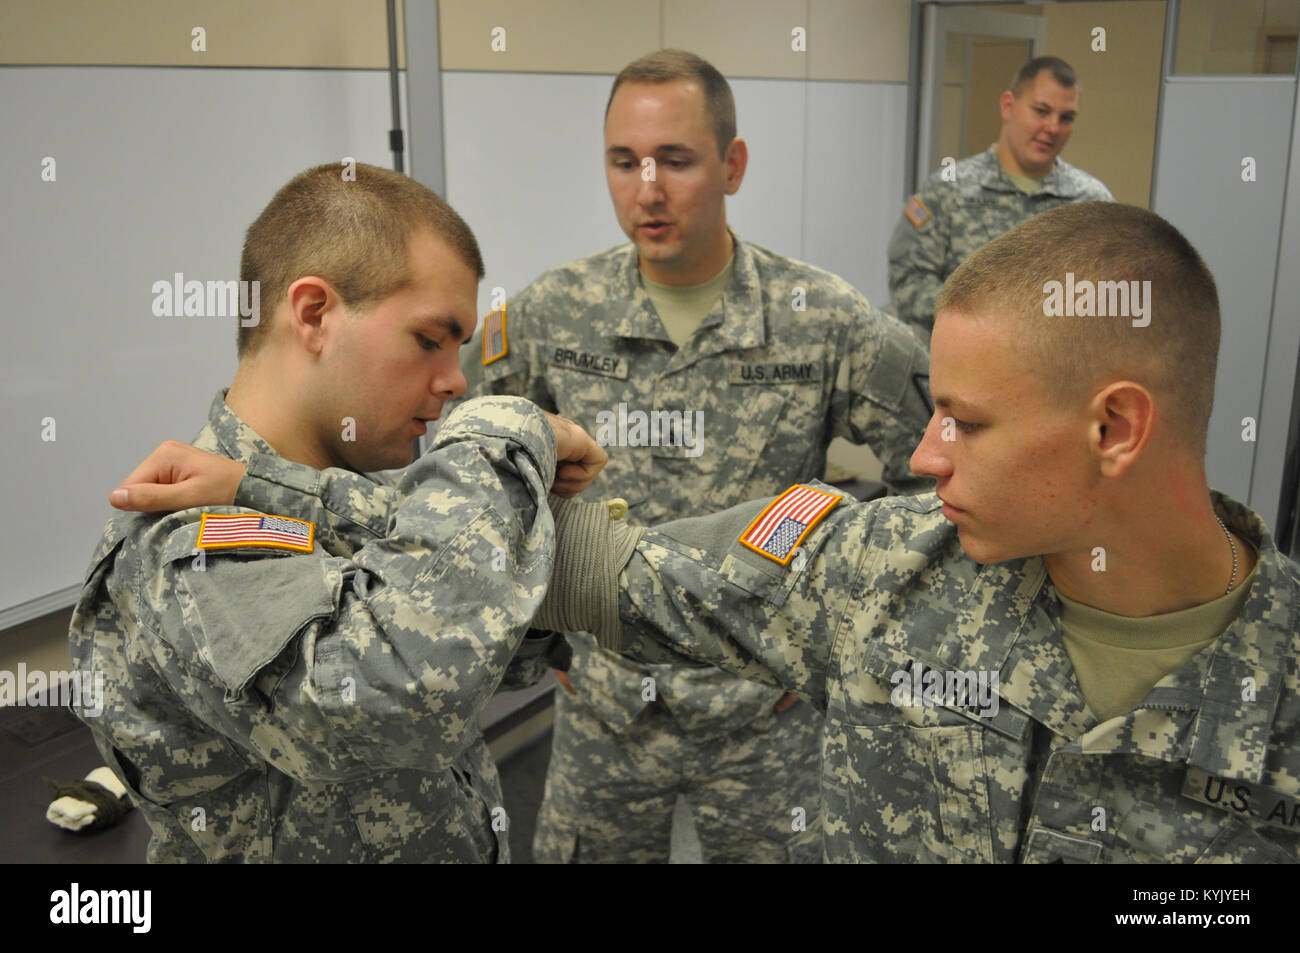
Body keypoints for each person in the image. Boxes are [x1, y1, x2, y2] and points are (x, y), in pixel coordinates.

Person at [532, 201, 1300, 862]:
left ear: (1113, 427)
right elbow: (611, 568)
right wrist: (492, 454)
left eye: (965, 422)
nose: (924, 454)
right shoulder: (884, 570)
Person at [452, 49, 933, 863]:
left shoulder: (823, 321)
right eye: (623, 161)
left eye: (675, 160)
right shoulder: (552, 314)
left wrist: (847, 639)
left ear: (732, 164)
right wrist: (536, 629)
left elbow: (936, 478)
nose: (647, 190)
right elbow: (464, 461)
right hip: (605, 710)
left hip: (766, 713)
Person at [70, 162, 606, 863]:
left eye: (458, 350)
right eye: (428, 340)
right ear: (315, 314)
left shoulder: (342, 494)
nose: (453, 381)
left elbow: (489, 663)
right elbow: (397, 693)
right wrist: (496, 438)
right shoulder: (190, 539)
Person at [888, 56, 1114, 342]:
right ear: (1008, 106)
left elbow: (1107, 294)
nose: (1053, 128)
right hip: (966, 367)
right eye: (1041, 111)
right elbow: (908, 282)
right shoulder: (949, 191)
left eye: (1066, 118)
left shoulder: (1091, 203)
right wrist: (982, 316)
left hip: (1053, 374)